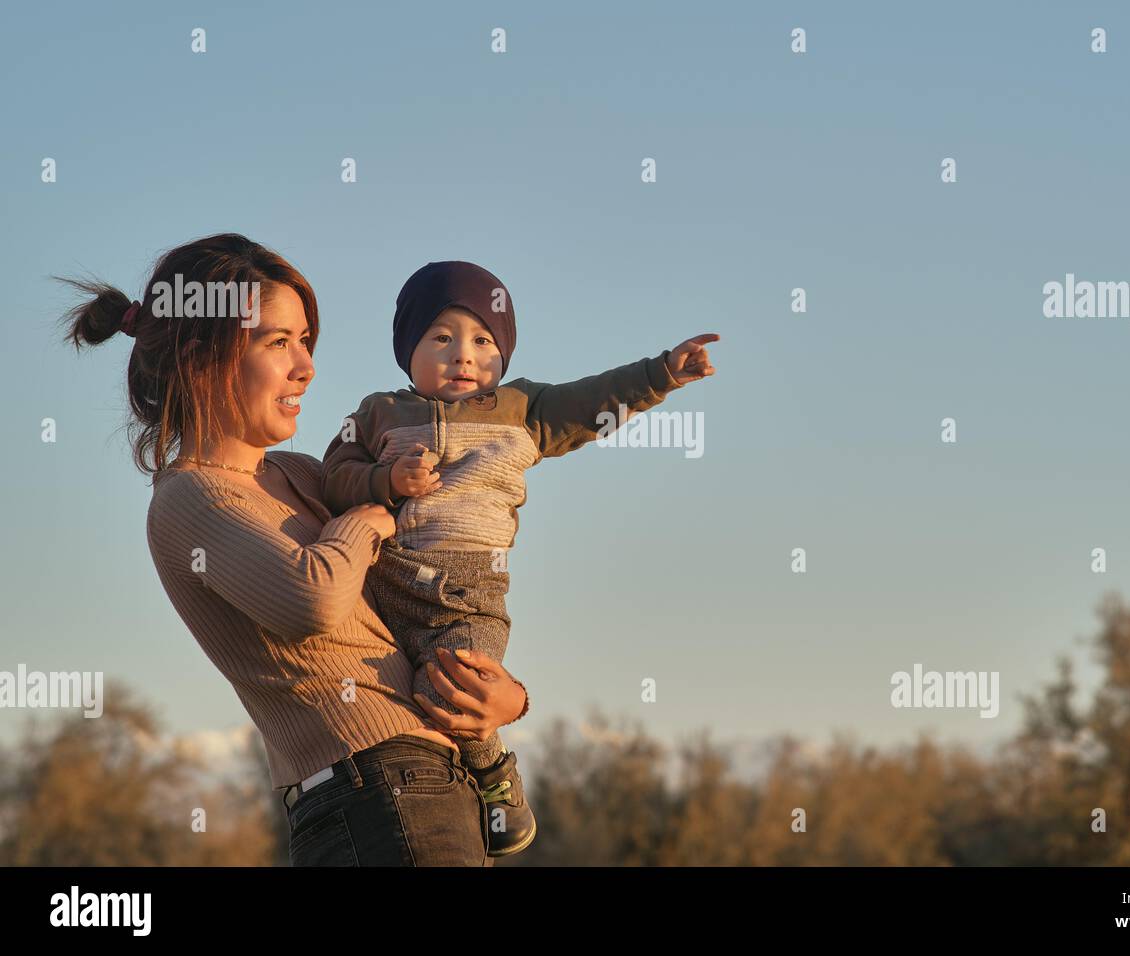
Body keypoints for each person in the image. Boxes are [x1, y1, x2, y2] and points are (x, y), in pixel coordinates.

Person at [60, 233, 527, 866]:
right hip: (369, 795)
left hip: (433, 783)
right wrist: (364, 520)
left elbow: (416, 602)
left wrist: (505, 702)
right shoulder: (191, 498)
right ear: (202, 357)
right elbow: (313, 598)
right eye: (278, 342)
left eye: (306, 341)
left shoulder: (305, 475)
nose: (305, 366)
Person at [321, 259, 719, 855]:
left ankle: (494, 777)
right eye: (442, 337)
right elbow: (335, 475)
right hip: (387, 581)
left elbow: (593, 399)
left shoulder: (522, 410)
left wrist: (661, 373)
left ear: (503, 356)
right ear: (408, 352)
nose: (463, 355)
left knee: (454, 686)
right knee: (399, 708)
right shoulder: (376, 411)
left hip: (472, 590)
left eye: (483, 341)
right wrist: (384, 480)